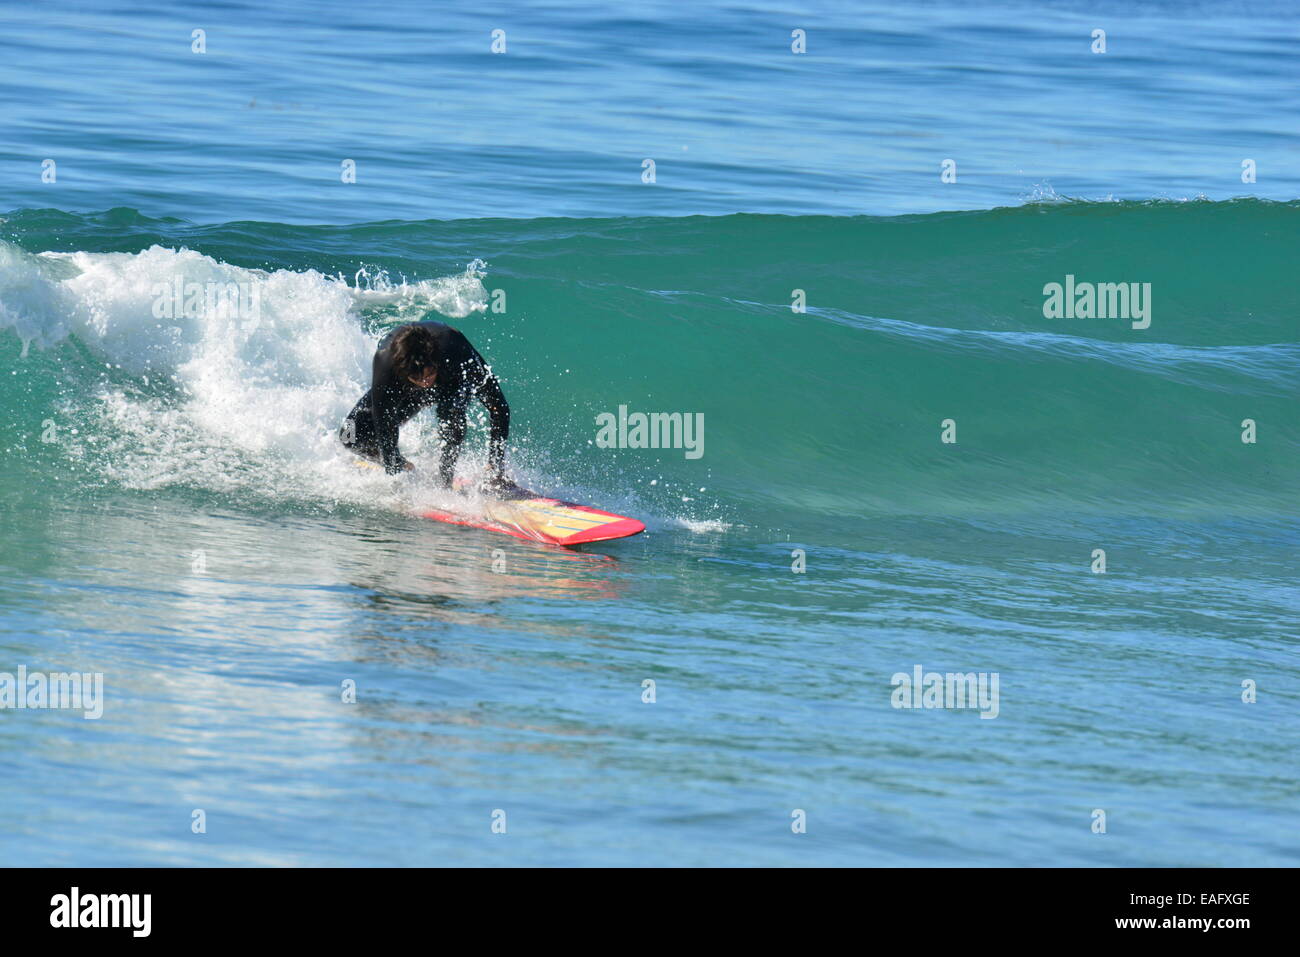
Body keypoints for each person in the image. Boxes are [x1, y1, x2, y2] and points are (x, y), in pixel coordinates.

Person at [339, 320, 511, 490]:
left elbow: (499, 407)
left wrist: (495, 463)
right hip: (406, 383)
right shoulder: (385, 362)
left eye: (428, 375)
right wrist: (393, 468)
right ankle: (395, 461)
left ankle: (450, 480)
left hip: (450, 375)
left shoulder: (455, 350)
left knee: (452, 420)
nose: (425, 382)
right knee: (349, 436)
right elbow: (384, 420)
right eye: (419, 378)